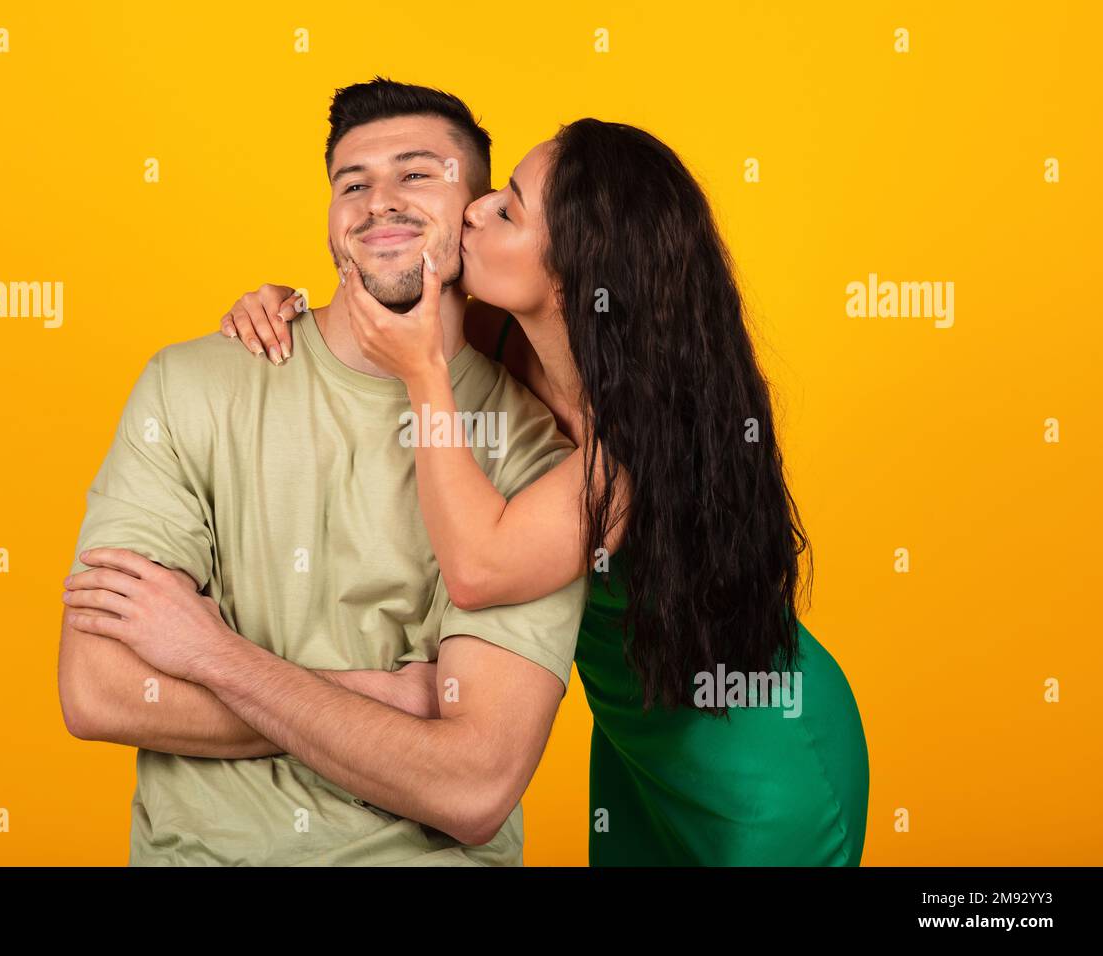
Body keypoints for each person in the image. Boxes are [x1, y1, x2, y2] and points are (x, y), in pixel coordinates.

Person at [222, 117, 871, 865]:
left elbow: (479, 568)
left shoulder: (636, 446)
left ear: (570, 277)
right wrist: (282, 307)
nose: (475, 209)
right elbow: (375, 298)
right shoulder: (508, 334)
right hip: (639, 746)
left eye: (509, 211)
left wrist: (426, 377)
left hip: (757, 759)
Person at [59, 78, 590, 866]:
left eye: (417, 175)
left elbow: (473, 785)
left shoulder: (546, 458)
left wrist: (208, 653)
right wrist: (392, 701)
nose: (380, 201)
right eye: (353, 183)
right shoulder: (191, 384)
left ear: (477, 216)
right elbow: (98, 688)